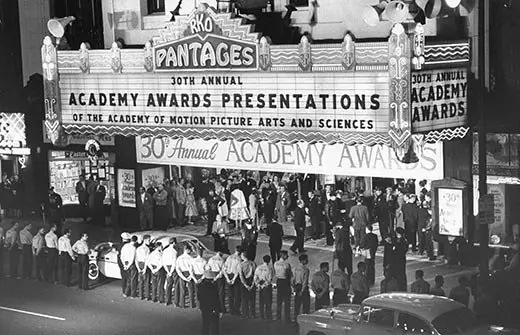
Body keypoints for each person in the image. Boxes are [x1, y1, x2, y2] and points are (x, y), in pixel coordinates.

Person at [197, 269, 222, 335]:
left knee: (205, 323)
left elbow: (199, 297)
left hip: (204, 307)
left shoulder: (200, 286)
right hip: (213, 308)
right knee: (215, 325)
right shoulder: (214, 287)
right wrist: (220, 310)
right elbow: (216, 299)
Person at [223, 246, 242, 315]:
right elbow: (238, 270)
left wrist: (227, 278)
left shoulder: (229, 257)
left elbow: (224, 268)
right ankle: (236, 310)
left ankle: (231, 310)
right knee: (237, 294)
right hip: (235, 277)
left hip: (228, 275)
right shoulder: (239, 259)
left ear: (235, 250)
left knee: (230, 294)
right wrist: (234, 279)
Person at [274, 250, 291, 323]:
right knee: (287, 301)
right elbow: (288, 275)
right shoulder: (286, 264)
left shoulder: (276, 263)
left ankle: (278, 317)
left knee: (279, 300)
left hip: (278, 281)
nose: (287, 256)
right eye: (286, 255)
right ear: (283, 256)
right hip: (285, 282)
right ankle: (287, 318)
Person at [254, 255, 274, 320]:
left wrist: (258, 285)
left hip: (260, 285)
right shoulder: (270, 268)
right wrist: (264, 285)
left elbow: (255, 277)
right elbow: (270, 279)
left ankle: (261, 316)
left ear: (263, 260)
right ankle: (268, 316)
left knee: (261, 301)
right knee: (268, 302)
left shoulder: (258, 267)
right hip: (266, 287)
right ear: (269, 260)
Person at [176, 244, 196, 308]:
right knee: (191, 290)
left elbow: (177, 268)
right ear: (187, 250)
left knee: (182, 290)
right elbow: (193, 268)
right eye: (190, 250)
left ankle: (182, 304)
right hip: (189, 273)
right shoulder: (191, 258)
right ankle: (191, 304)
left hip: (182, 273)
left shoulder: (179, 258)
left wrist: (182, 277)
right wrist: (190, 276)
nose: (190, 252)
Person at [239, 251, 256, 319]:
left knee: (244, 299)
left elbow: (241, 275)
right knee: (252, 299)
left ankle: (245, 314)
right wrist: (252, 284)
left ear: (243, 256)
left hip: (245, 281)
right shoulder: (253, 263)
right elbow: (255, 274)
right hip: (251, 280)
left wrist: (245, 284)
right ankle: (252, 314)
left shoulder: (241, 264)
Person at [162, 237, 178, 306]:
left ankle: (167, 300)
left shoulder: (165, 250)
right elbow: (174, 262)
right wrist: (171, 271)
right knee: (176, 284)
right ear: (174, 243)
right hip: (172, 268)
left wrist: (168, 271)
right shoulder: (174, 251)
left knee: (168, 285)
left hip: (167, 267)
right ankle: (176, 302)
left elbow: (163, 261)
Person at [135, 234, 151, 300]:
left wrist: (138, 268)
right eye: (149, 240)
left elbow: (136, 258)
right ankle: (147, 296)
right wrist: (145, 268)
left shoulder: (138, 248)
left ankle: (141, 295)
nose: (149, 242)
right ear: (145, 240)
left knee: (141, 281)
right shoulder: (147, 249)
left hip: (139, 264)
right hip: (144, 264)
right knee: (147, 281)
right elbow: (147, 259)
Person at [393, 227, 408, 291]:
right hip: (402, 259)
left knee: (397, 273)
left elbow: (395, 250)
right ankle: (403, 287)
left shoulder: (397, 241)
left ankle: (399, 286)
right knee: (402, 273)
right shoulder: (405, 241)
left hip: (397, 259)